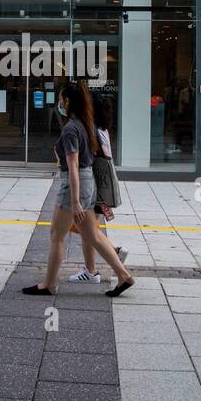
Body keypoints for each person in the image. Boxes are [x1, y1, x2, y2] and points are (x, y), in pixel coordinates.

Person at [23, 81, 133, 297]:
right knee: (93, 235)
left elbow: (73, 165)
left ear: (68, 101)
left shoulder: (71, 128)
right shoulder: (86, 124)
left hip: (75, 184)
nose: (59, 103)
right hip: (88, 181)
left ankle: (49, 284)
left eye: (61, 99)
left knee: (57, 235)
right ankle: (123, 276)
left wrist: (74, 201)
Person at [68, 91, 127, 284]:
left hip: (92, 185)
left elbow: (86, 158)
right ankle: (92, 268)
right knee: (87, 229)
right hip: (101, 185)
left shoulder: (90, 129)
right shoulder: (102, 127)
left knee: (87, 229)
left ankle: (100, 263)